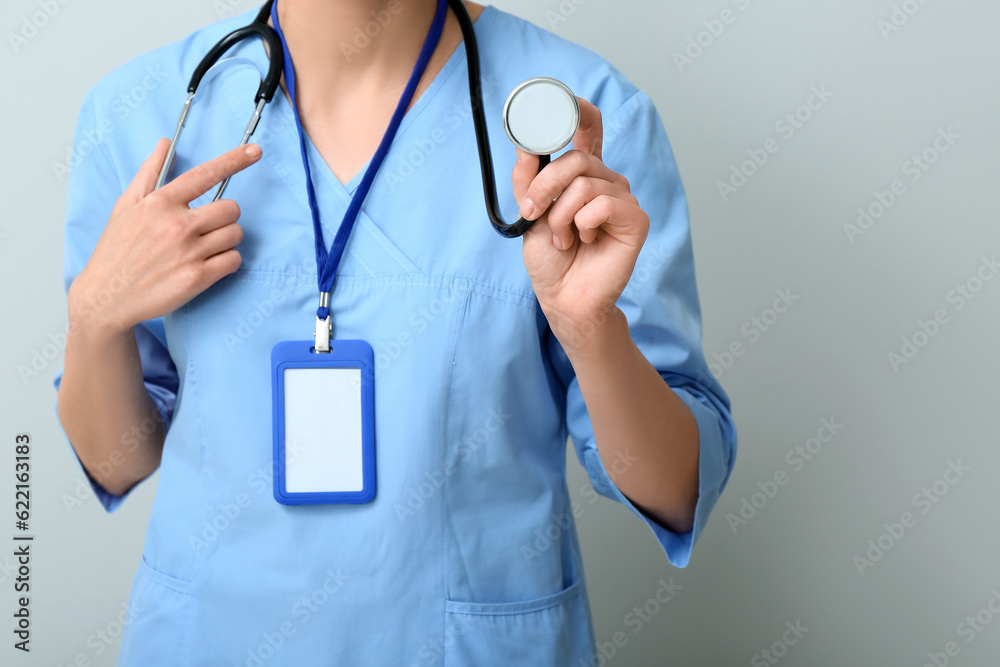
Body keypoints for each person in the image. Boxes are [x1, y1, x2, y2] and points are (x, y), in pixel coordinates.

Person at [54, 0, 737, 663]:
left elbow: (675, 489)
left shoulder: (583, 118)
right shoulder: (138, 113)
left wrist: (592, 331)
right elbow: (118, 460)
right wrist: (96, 316)